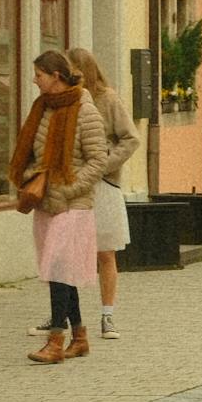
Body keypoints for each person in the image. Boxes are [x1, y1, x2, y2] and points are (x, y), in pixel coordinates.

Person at [17, 51, 110, 365]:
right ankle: (80, 337)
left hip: (74, 204)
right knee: (61, 271)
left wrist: (70, 187)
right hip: (47, 201)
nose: (34, 80)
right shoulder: (42, 108)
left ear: (56, 75)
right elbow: (30, 152)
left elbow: (98, 160)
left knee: (58, 266)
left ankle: (55, 340)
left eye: (39, 75)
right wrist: (32, 177)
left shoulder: (85, 109)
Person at [68, 49, 139, 339]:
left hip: (102, 185)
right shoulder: (65, 101)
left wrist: (104, 164)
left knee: (105, 252)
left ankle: (107, 315)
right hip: (72, 184)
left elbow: (131, 138)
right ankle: (62, 313)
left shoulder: (107, 99)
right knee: (66, 251)